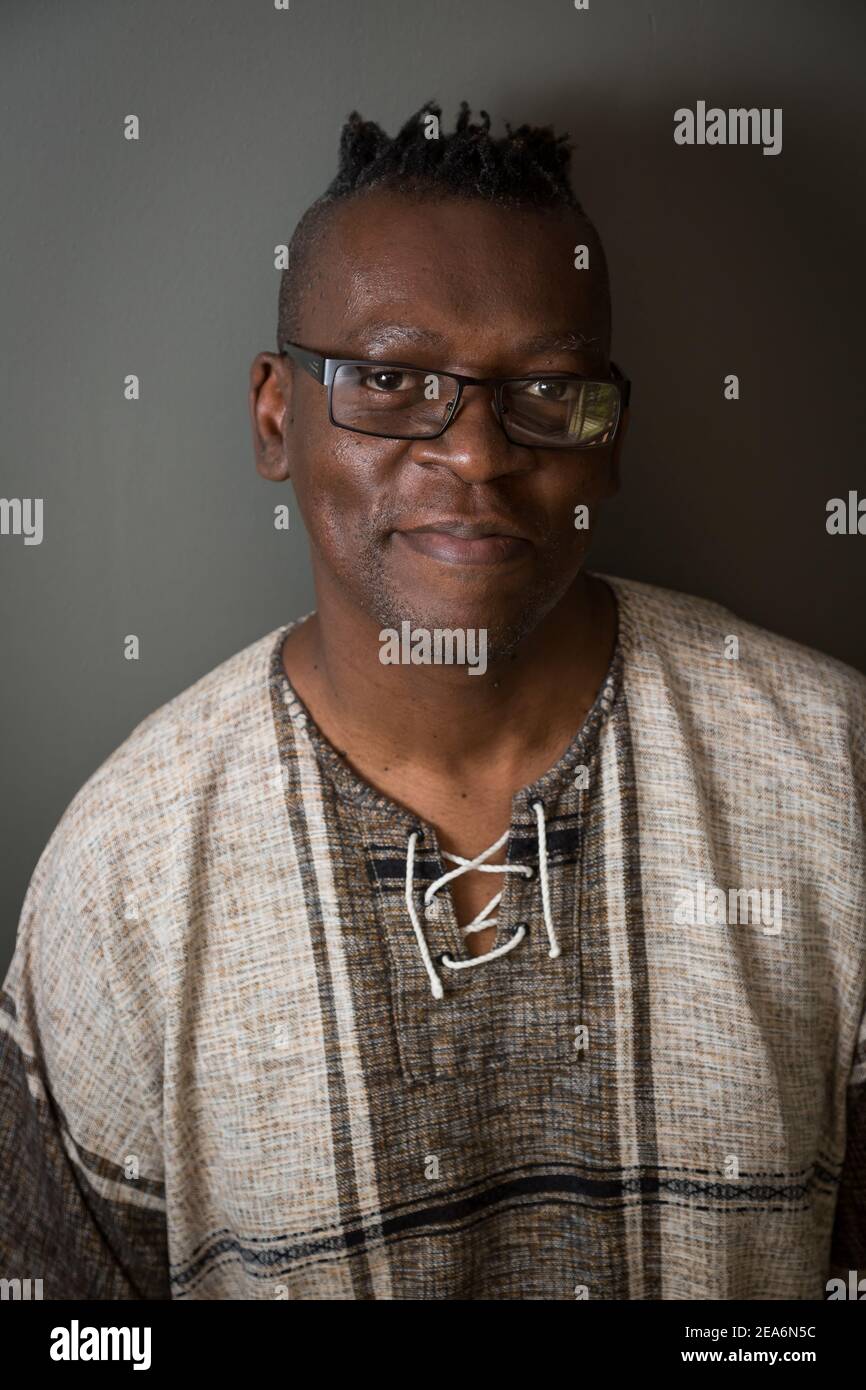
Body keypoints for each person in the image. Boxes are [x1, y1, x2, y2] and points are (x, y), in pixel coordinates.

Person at [1, 102, 864, 1300]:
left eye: (545, 390)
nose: (473, 454)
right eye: (390, 379)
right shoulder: (125, 871)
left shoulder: (831, 774)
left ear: (608, 441)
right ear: (273, 415)